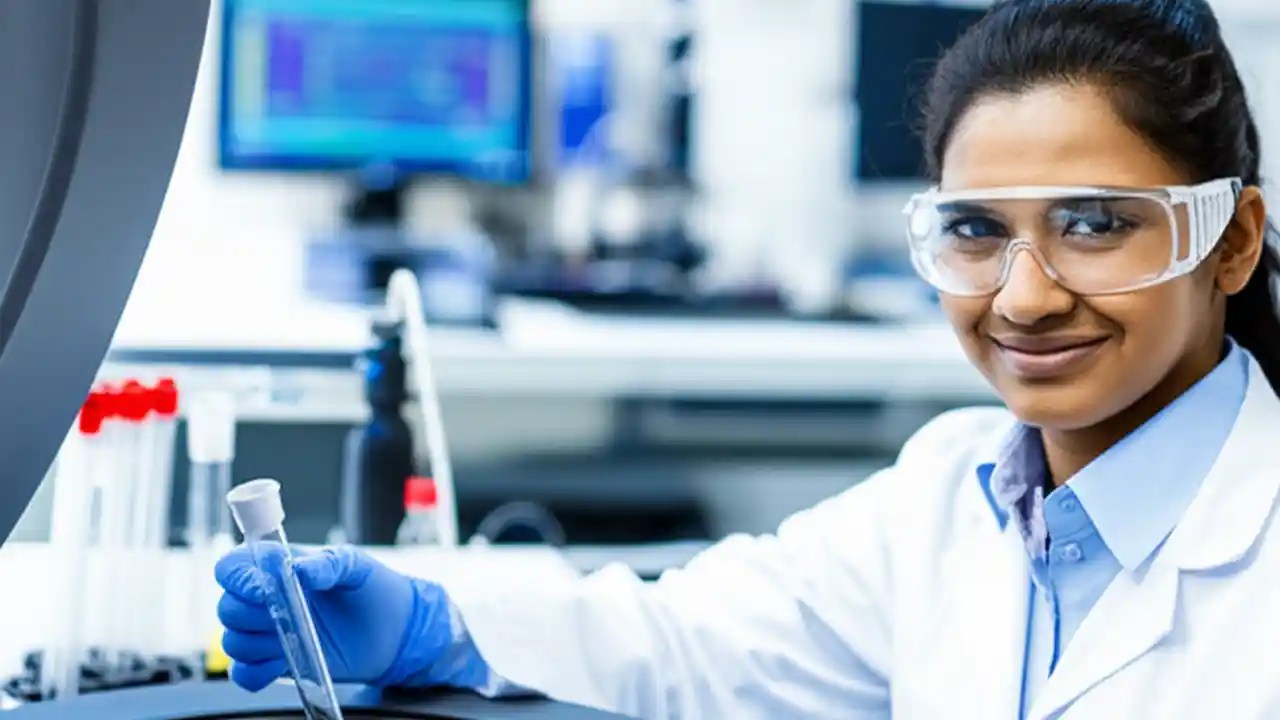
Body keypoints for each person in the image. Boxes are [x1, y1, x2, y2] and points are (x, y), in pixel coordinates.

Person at [214, 0, 1280, 717]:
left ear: (1230, 242)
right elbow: (688, 641)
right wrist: (433, 623)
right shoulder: (950, 492)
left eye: (1095, 224)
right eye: (972, 229)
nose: (1023, 297)